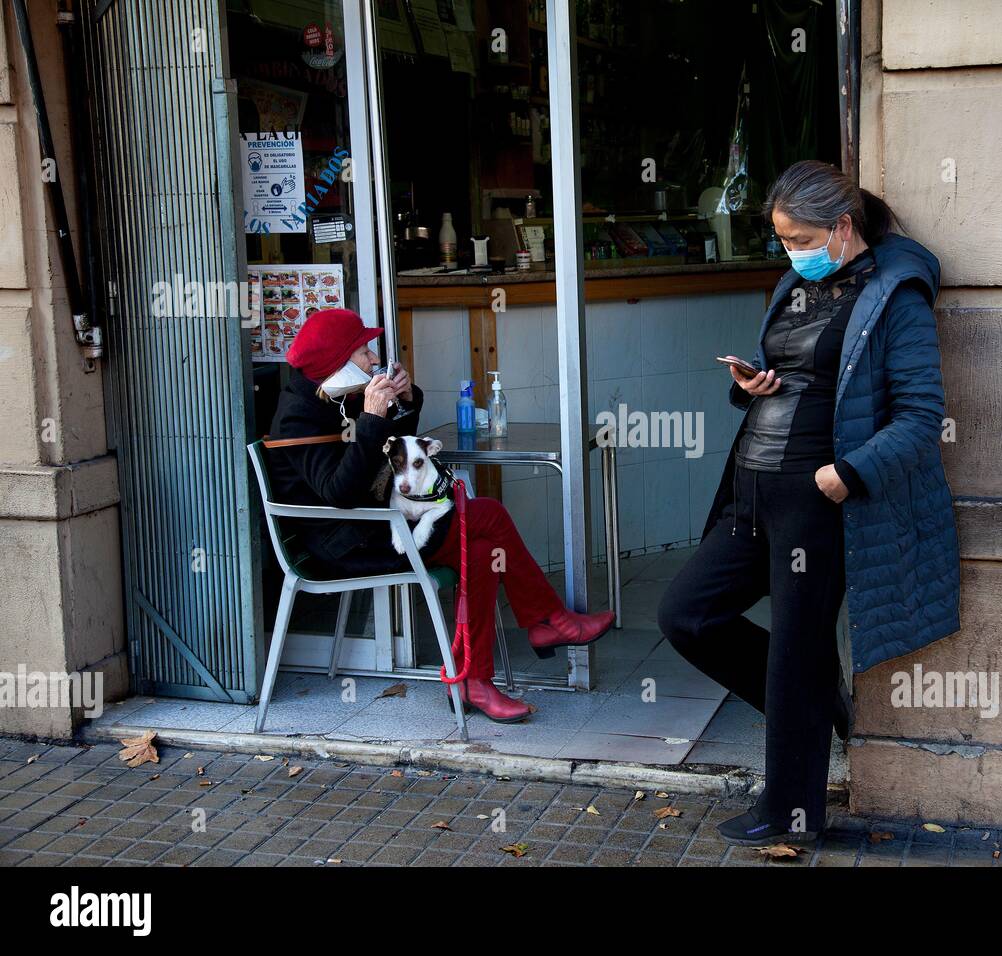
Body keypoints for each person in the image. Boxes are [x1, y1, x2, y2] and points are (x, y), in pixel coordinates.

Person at [657, 160, 961, 846]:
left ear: (842, 227)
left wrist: (846, 474)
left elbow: (920, 417)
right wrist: (752, 384)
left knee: (796, 651)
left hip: (818, 501)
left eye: (798, 238)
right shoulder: (797, 281)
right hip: (751, 489)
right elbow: (792, 372)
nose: (790, 252)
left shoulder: (896, 296)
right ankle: (820, 701)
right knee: (686, 614)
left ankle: (791, 811)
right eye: (783, 240)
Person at [267, 307, 615, 722]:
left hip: (379, 522)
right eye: (362, 351)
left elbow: (388, 455)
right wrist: (372, 419)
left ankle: (474, 680)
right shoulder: (298, 416)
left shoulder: (332, 393)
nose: (374, 359)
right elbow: (341, 493)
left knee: (484, 552)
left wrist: (406, 401)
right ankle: (544, 622)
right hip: (348, 543)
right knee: (486, 514)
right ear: (335, 363)